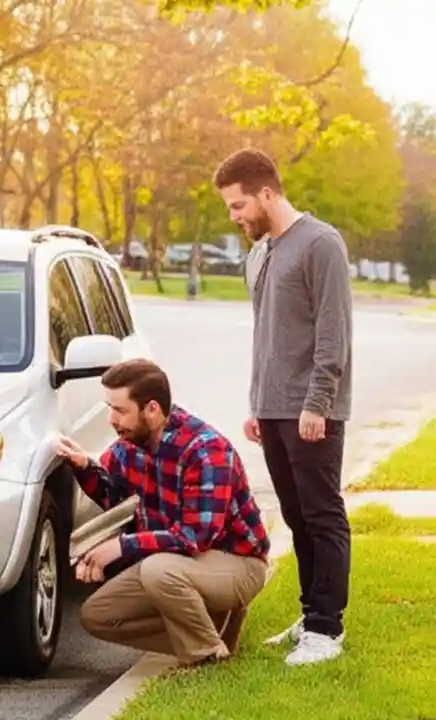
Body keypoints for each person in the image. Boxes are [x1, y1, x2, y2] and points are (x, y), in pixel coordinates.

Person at [214, 148, 353, 666]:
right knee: (295, 515)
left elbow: (332, 333)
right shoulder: (261, 253)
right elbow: (266, 337)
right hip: (273, 410)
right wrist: (257, 402)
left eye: (238, 205)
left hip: (313, 410)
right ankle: (310, 614)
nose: (235, 217)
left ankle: (327, 628)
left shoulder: (321, 244)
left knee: (322, 515)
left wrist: (317, 402)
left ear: (267, 193)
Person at [58, 359, 271, 667]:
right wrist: (83, 466)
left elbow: (195, 537)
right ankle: (215, 629)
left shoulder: (206, 451)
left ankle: (206, 656)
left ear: (152, 409)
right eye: (110, 408)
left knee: (158, 570)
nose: (111, 419)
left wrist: (121, 546)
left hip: (236, 562)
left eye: (120, 410)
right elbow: (114, 496)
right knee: (99, 616)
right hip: (178, 564)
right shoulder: (130, 445)